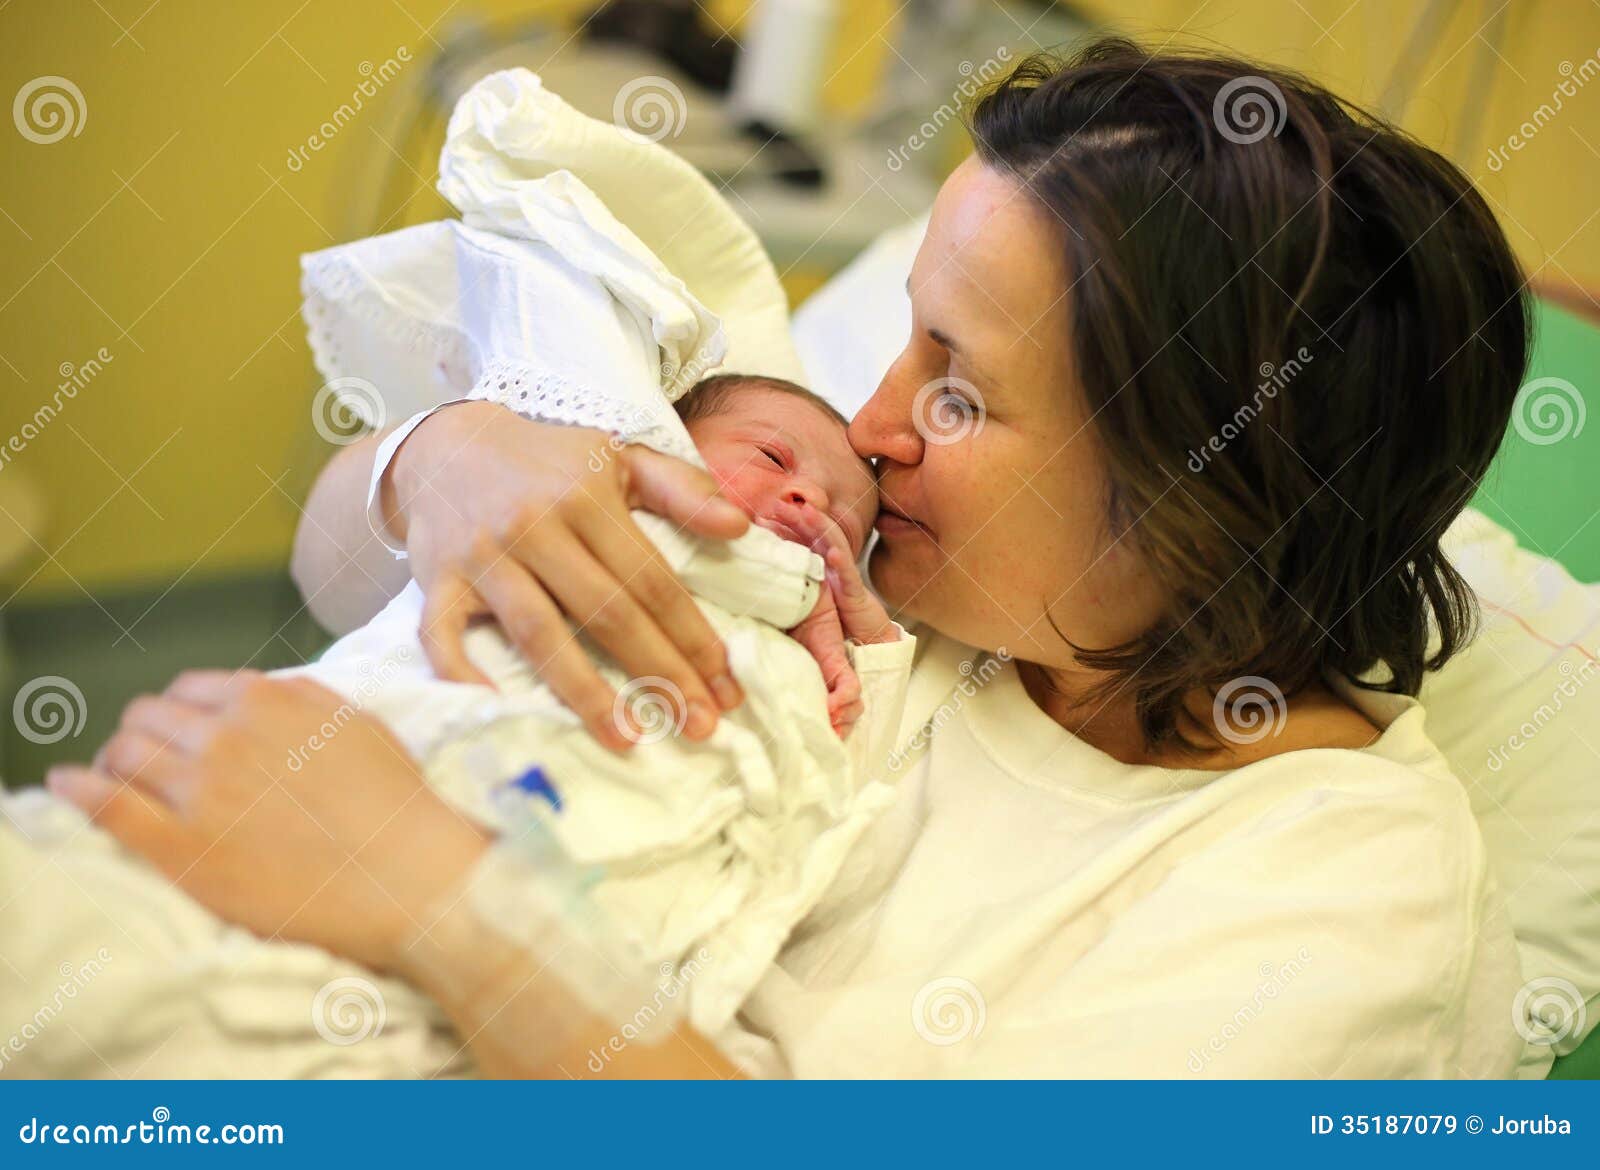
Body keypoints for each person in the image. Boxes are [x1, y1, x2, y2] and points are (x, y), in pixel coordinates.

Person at [53, 38, 1534, 1077]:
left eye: (960, 388)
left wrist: (435, 901)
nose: (871, 422)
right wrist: (435, 465)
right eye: (903, 336)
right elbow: (337, 576)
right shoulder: (876, 554)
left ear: (1203, 495)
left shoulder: (1339, 884)